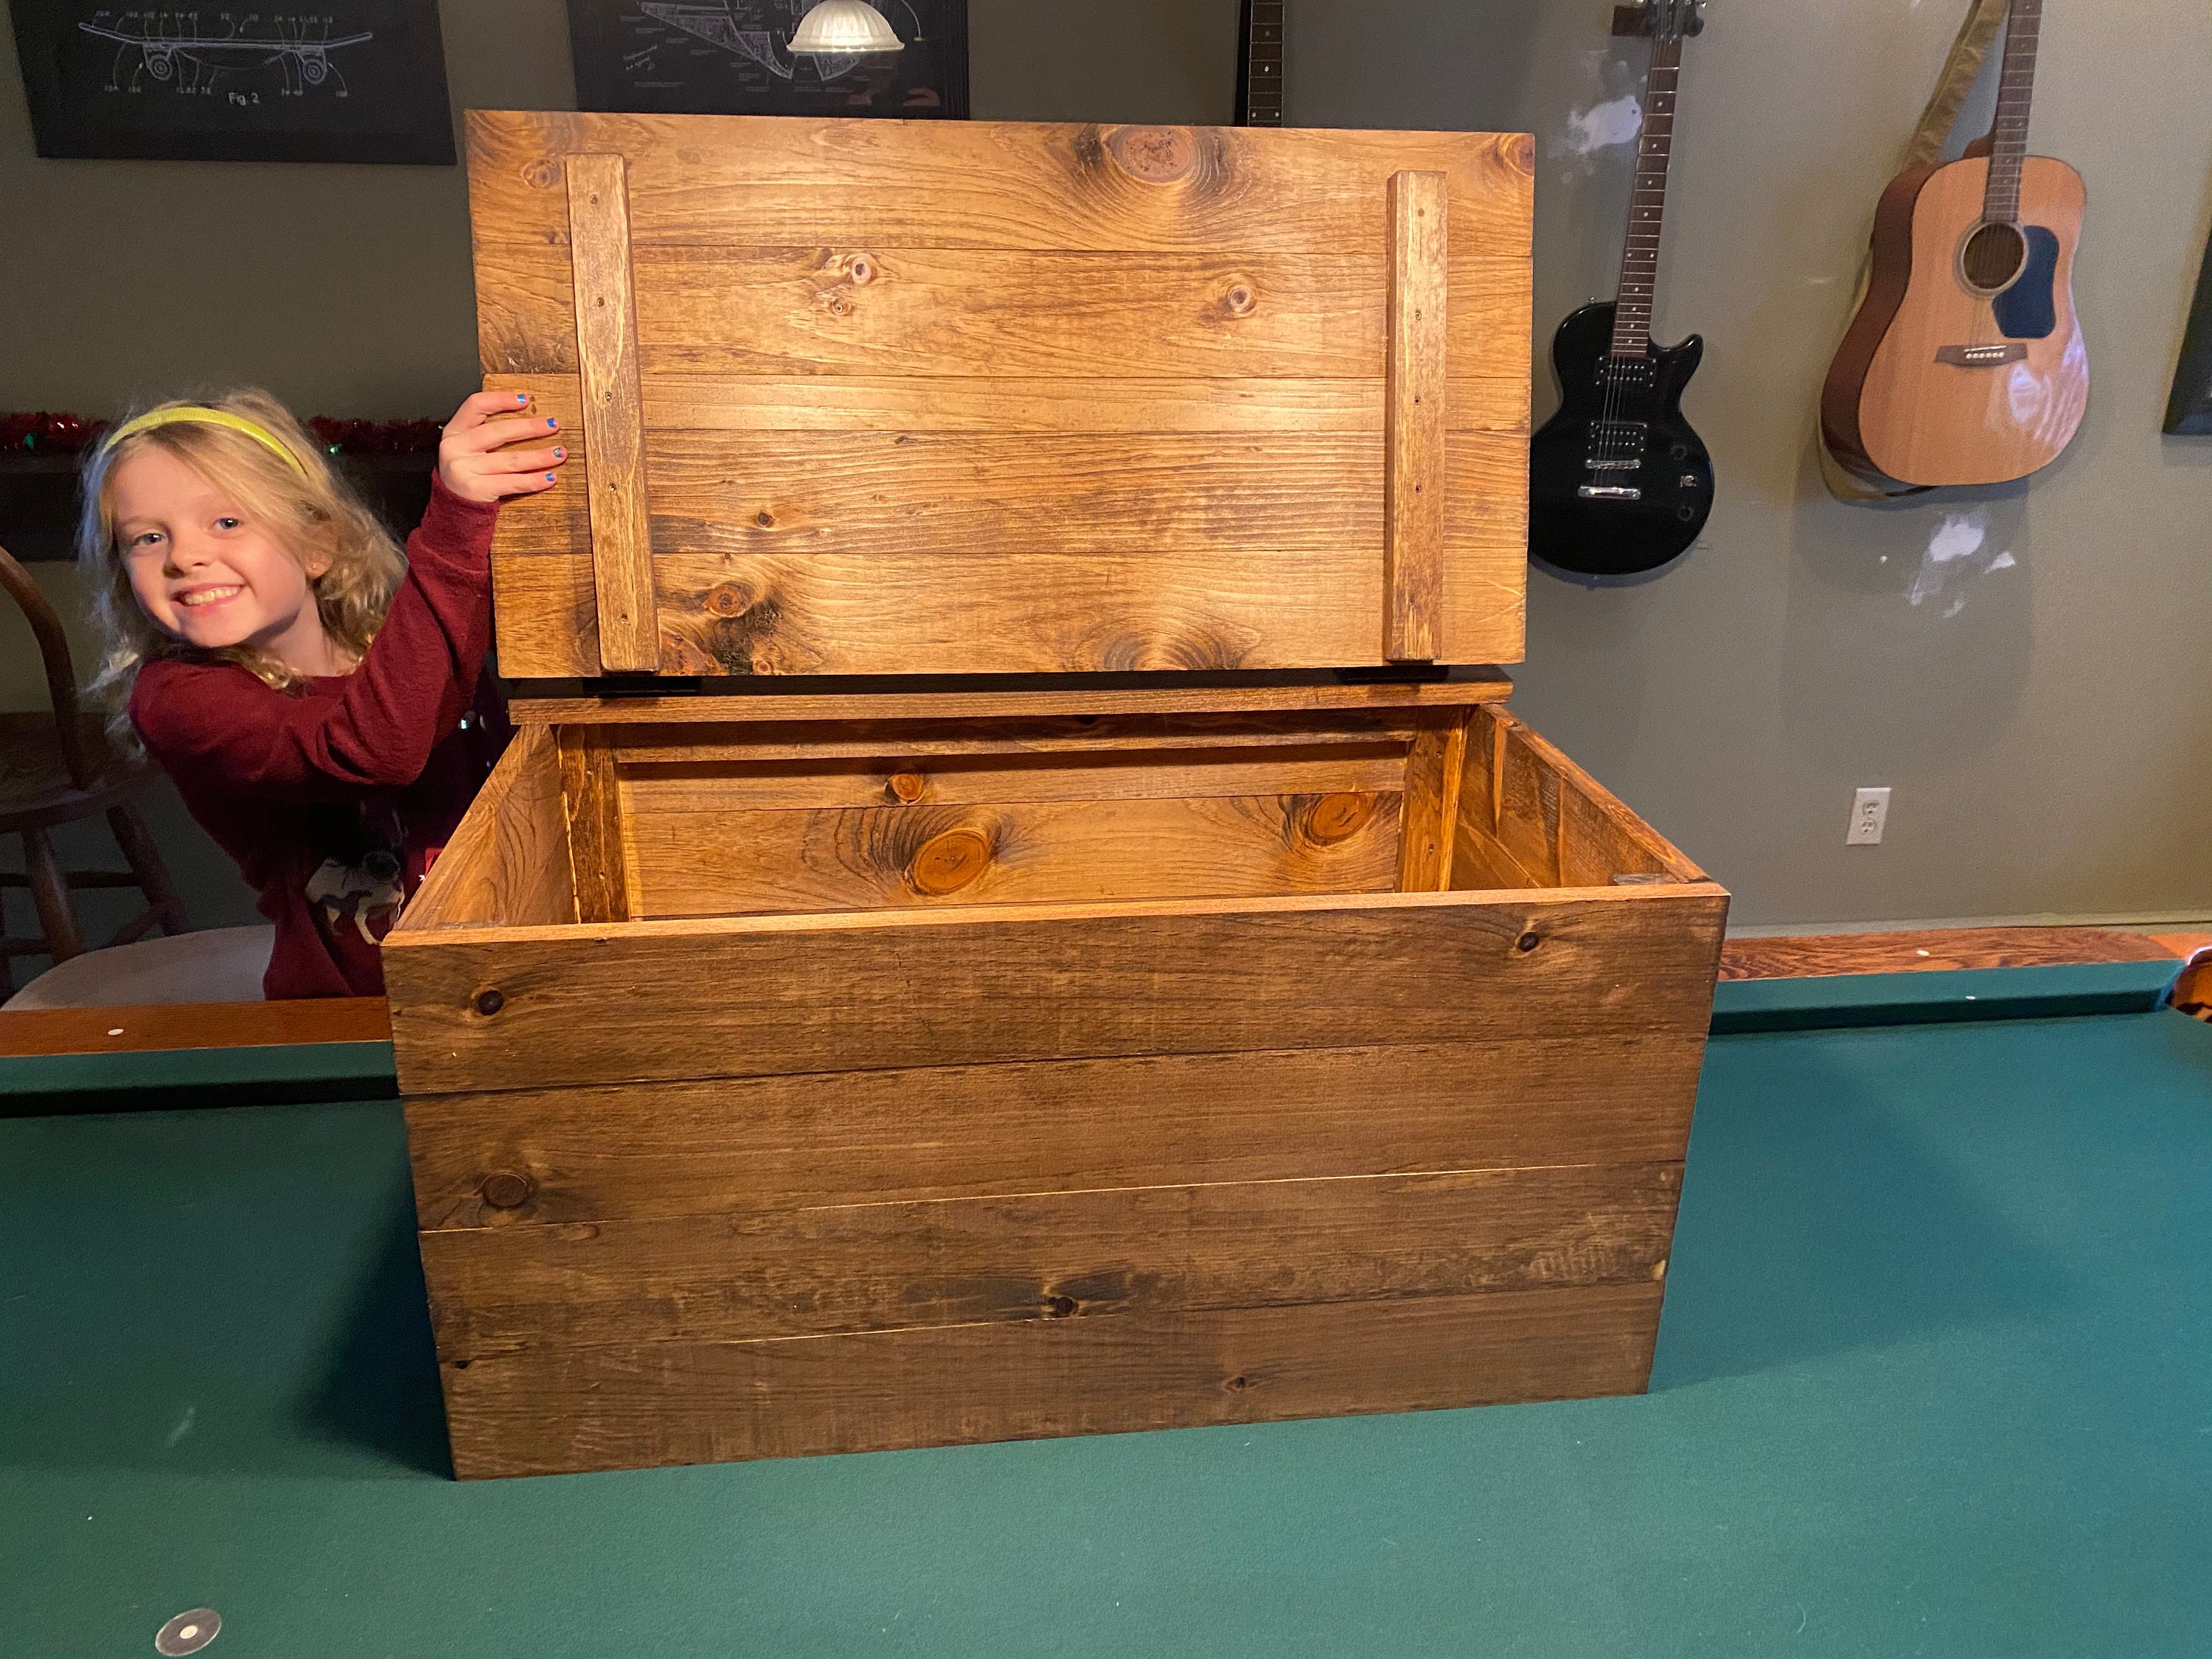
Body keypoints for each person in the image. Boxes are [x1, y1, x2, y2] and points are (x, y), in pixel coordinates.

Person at [76, 388, 566, 998]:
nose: (186, 556)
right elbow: (377, 748)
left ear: (317, 546)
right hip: (355, 1015)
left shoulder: (402, 639)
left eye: (227, 521)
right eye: (147, 538)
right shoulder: (178, 700)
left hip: (513, 973)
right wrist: (456, 520)